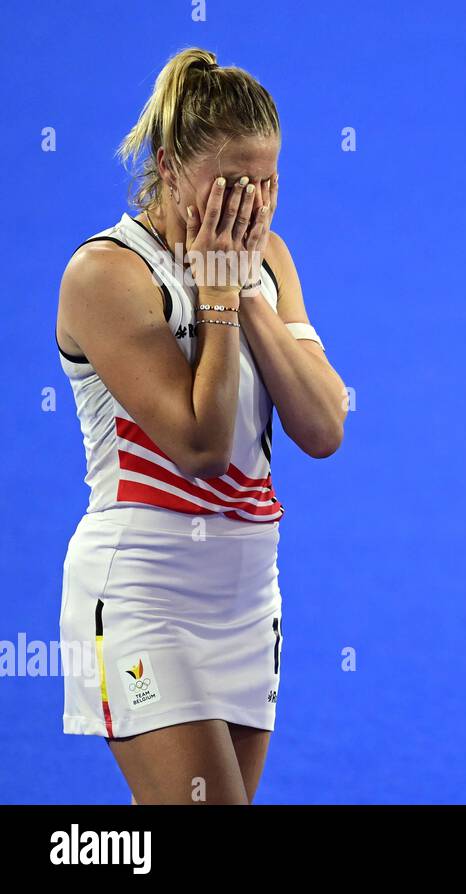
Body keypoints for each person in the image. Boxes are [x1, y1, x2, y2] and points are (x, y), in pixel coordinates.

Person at [54, 48, 346, 804]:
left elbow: (323, 427)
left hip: (249, 594)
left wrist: (246, 289)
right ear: (169, 165)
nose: (251, 204)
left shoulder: (269, 260)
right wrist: (217, 299)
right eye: (231, 183)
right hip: (145, 591)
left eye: (268, 183)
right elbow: (202, 445)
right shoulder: (107, 274)